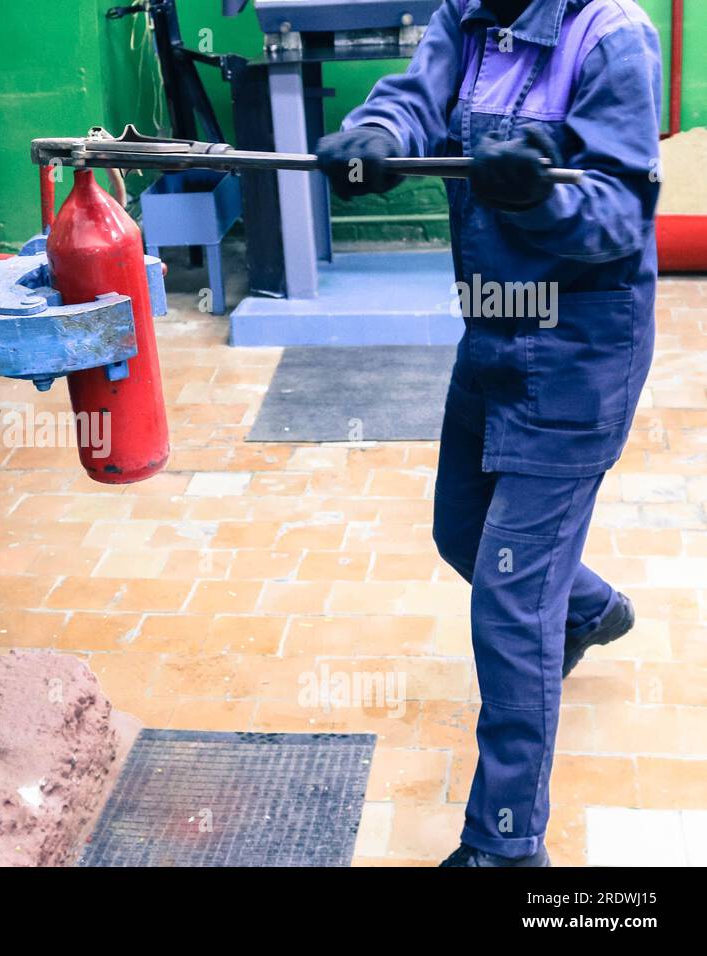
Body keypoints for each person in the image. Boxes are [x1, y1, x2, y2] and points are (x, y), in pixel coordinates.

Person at [316, 0, 662, 866]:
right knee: (461, 532)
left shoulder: (613, 38)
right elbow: (413, 99)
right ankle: (586, 609)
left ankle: (506, 848)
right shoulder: (464, 17)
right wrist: (374, 141)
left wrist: (538, 198)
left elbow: (620, 215)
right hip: (496, 328)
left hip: (580, 351)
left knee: (509, 610)